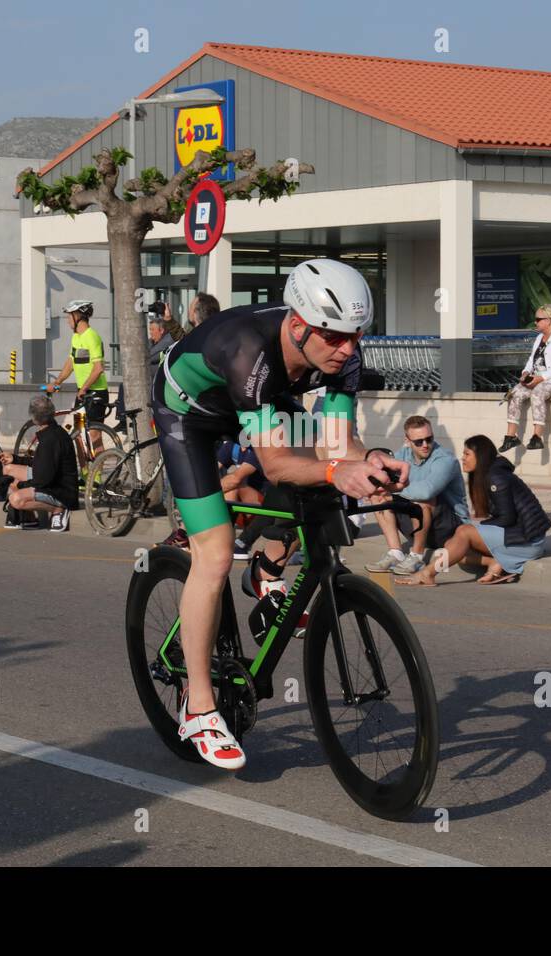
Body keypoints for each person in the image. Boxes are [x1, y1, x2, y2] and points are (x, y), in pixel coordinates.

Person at [151, 258, 409, 770]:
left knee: (320, 470)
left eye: (356, 337)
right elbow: (275, 463)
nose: (348, 349)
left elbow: (338, 443)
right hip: (190, 416)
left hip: (257, 403)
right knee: (216, 554)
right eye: (335, 337)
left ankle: (268, 570)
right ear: (297, 325)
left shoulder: (342, 355)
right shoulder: (251, 350)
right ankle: (199, 706)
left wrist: (370, 460)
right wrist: (338, 473)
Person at [398, 435, 551, 586]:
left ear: (480, 456)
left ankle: (427, 574)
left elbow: (507, 518)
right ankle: (494, 562)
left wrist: (477, 529)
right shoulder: (488, 475)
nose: (463, 458)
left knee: (464, 533)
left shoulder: (496, 477)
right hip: (517, 536)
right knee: (453, 545)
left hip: (529, 542)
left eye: (467, 454)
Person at [365, 415, 470, 574]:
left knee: (423, 499)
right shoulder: (403, 455)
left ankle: (416, 557)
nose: (425, 445)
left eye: (429, 439)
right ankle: (396, 553)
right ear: (407, 441)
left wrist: (393, 489)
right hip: (422, 524)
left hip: (451, 528)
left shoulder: (445, 459)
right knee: (379, 496)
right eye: (419, 442)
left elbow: (427, 490)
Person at [501, 304, 551, 451]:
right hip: (537, 379)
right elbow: (532, 360)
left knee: (538, 392)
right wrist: (525, 373)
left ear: (549, 320)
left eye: (538, 319)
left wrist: (541, 378)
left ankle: (537, 437)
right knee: (514, 393)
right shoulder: (539, 338)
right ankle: (511, 437)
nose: (535, 322)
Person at [0, 395, 79, 531]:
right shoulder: (51, 432)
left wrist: (22, 485)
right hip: (53, 480)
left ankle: (57, 510)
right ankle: (28, 517)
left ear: (34, 417)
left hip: (62, 492)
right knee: (8, 469)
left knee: (16, 498)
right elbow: (41, 463)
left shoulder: (50, 439)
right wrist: (15, 459)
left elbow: (43, 480)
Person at [46, 300, 109, 455]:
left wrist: (85, 388)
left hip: (96, 392)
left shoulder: (92, 336)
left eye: (69, 317)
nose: (67, 321)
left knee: (94, 436)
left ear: (77, 316)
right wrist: (57, 382)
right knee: (78, 435)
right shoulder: (76, 337)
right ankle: (86, 475)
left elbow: (98, 368)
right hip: (83, 393)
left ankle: (98, 478)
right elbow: (71, 363)